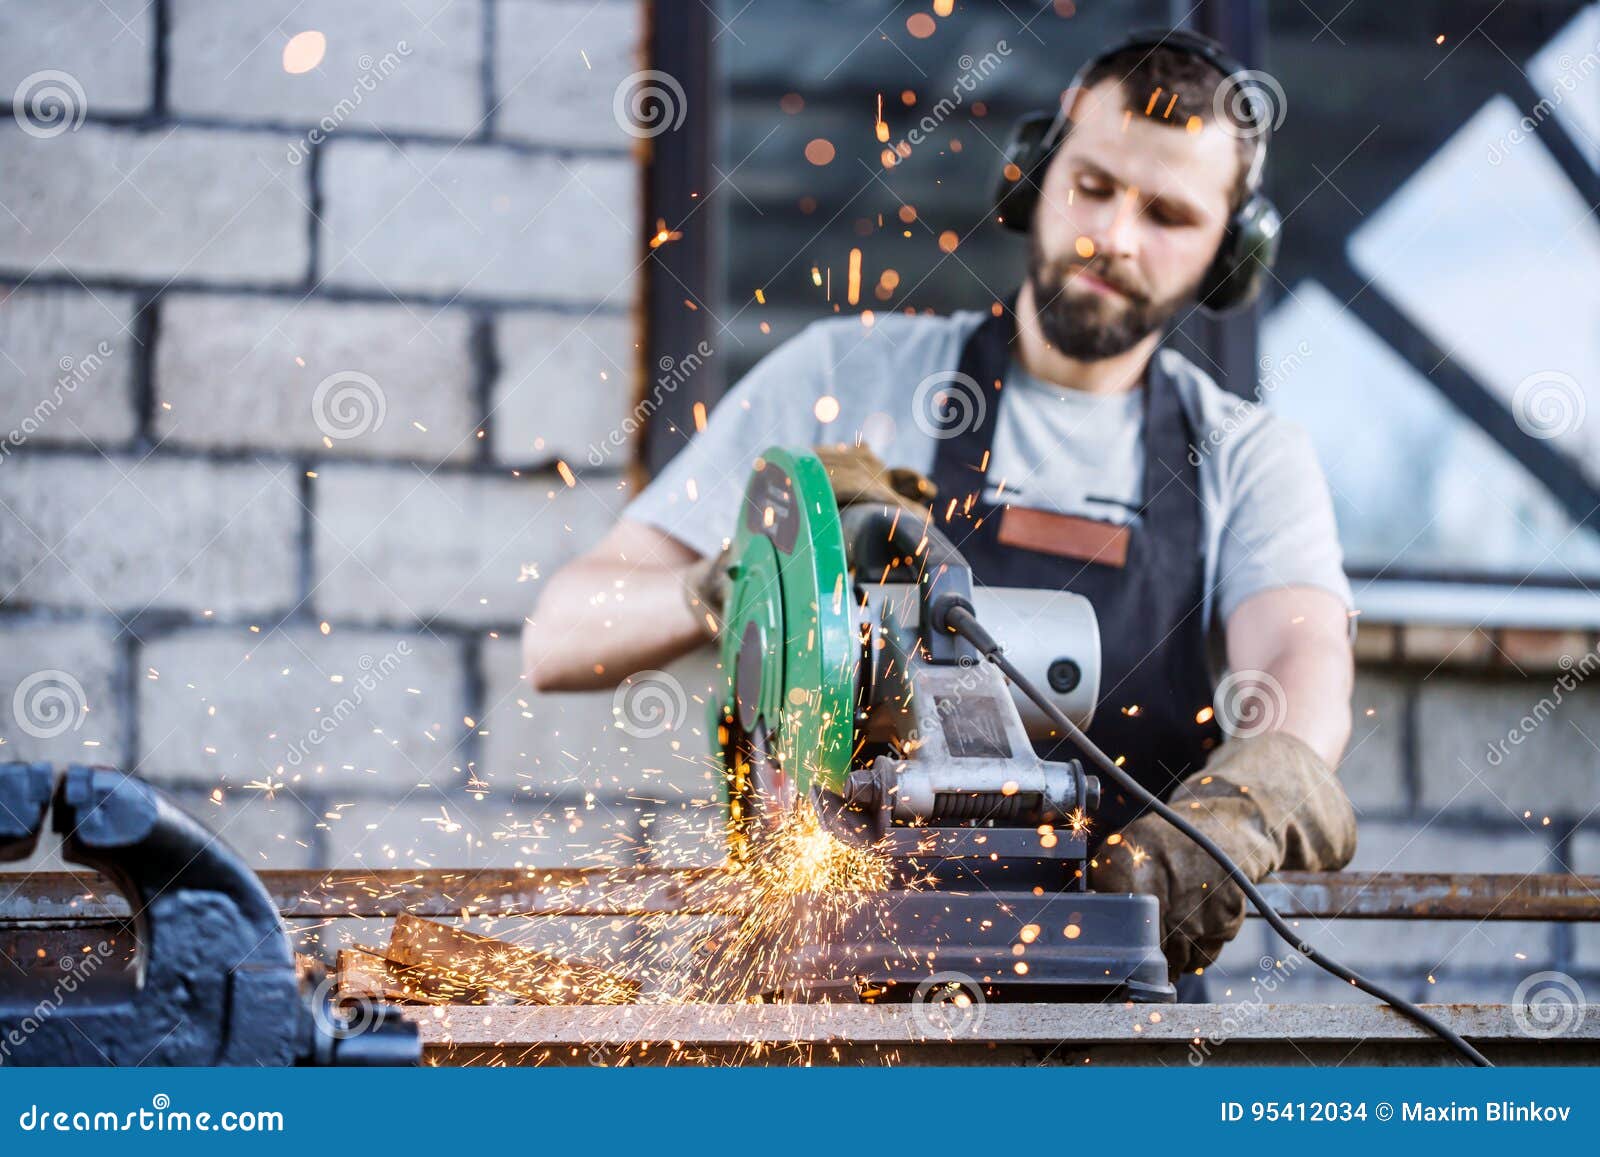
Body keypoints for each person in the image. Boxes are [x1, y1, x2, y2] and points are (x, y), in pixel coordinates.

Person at [525, 30, 1358, 985]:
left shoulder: (1245, 456)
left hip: (1115, 996)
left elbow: (1301, 673)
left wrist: (1243, 811)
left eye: (1168, 212)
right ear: (1036, 177)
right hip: (831, 991)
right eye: (1093, 186)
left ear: (1231, 251)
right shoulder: (845, 379)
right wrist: (734, 584)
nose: (1115, 236)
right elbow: (558, 636)